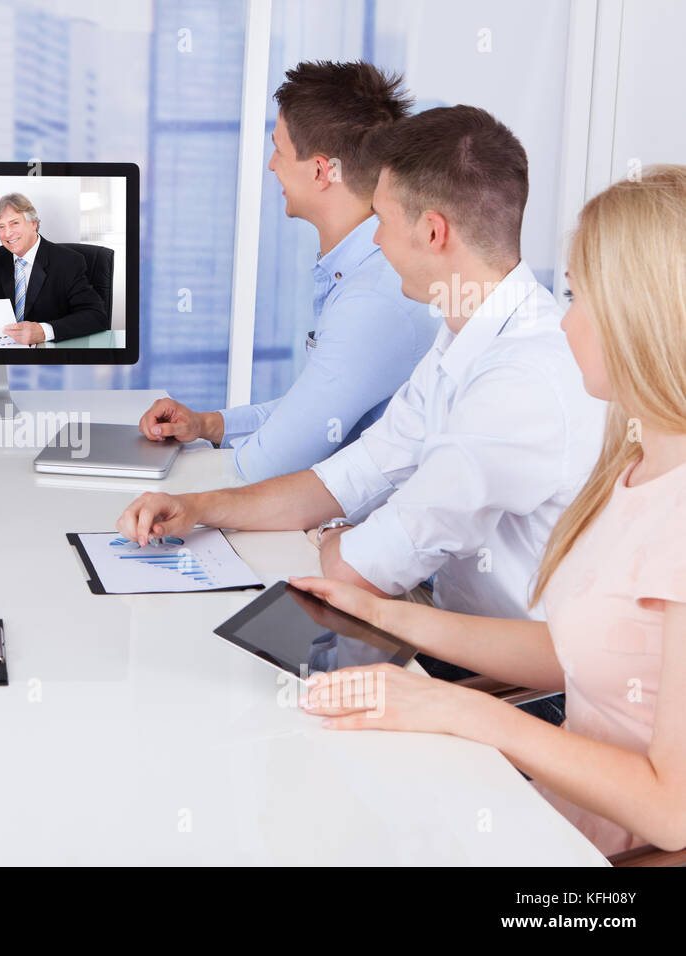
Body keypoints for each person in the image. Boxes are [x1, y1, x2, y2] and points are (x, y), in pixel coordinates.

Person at [291, 165, 686, 857]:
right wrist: (388, 618)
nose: (566, 320)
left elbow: (673, 812)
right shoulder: (631, 465)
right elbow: (576, 652)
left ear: (642, 317)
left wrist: (463, 712)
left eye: (578, 296)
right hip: (550, 826)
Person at [117, 106, 605, 624]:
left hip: (513, 686)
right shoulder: (460, 339)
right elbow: (346, 479)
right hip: (443, 626)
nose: (374, 240)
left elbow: (361, 567)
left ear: (434, 232)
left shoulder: (521, 379)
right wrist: (198, 508)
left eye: (383, 220)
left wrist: (331, 534)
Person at [139, 61, 440, 483]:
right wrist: (208, 426)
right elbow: (310, 410)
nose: (271, 165)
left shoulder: (374, 297)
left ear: (320, 171)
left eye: (278, 148)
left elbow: (269, 464)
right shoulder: (365, 270)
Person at [0, 192, 108, 344]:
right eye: (1, 227)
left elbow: (96, 315)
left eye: (14, 223)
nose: (7, 233)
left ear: (33, 224)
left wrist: (44, 331)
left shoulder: (69, 262)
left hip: (53, 357)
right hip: (5, 350)